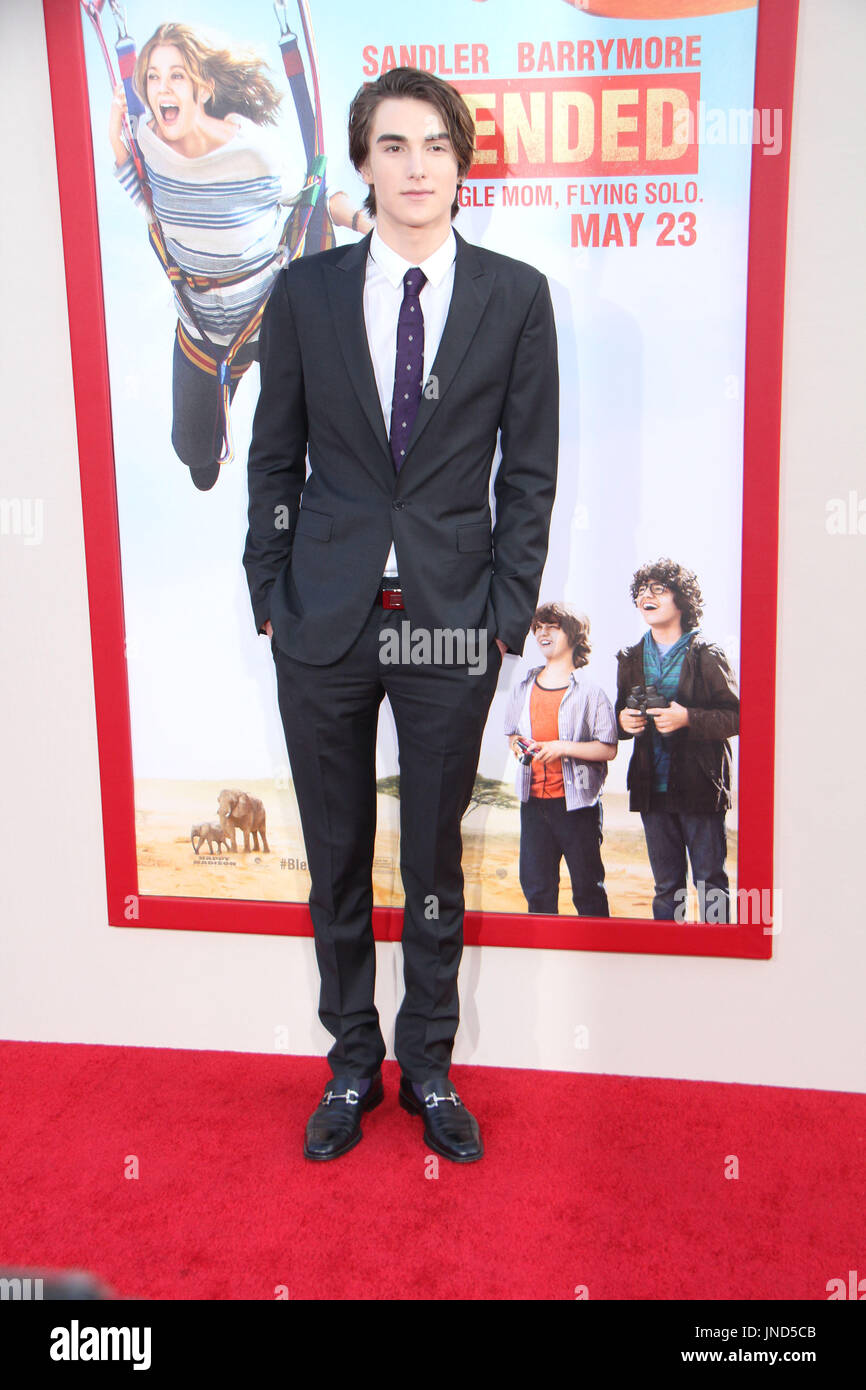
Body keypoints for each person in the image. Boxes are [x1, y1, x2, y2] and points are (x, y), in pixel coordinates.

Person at [243, 66, 559, 1163]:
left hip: (448, 620)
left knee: (431, 854)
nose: (414, 166)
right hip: (323, 616)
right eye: (391, 146)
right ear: (363, 163)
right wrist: (268, 594)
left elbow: (528, 474)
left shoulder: (515, 296)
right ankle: (346, 1065)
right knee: (334, 851)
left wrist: (503, 612)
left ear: (462, 161)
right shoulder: (307, 294)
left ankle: (425, 1066)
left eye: (433, 145)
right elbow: (272, 456)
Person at [109, 22, 372, 490]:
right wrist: (120, 153)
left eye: (176, 76)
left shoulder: (256, 154)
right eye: (152, 77)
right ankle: (218, 399)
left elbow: (313, 196)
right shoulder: (145, 141)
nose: (161, 88)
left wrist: (363, 221)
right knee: (197, 462)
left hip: (268, 321)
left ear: (203, 88)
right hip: (202, 331)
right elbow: (153, 205)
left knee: (308, 449)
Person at [614, 559, 740, 922]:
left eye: (657, 589)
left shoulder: (707, 654)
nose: (645, 596)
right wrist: (624, 720)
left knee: (710, 882)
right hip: (651, 787)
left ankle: (720, 956)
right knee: (667, 886)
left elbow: (735, 717)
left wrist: (688, 718)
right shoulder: (630, 657)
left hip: (700, 786)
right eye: (641, 590)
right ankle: (669, 962)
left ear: (682, 599)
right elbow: (620, 717)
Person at [505, 604, 617, 917]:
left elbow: (608, 749)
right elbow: (513, 735)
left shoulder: (592, 692)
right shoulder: (523, 688)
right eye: (538, 627)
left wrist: (561, 748)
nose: (543, 632)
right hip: (533, 804)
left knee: (588, 890)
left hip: (577, 806)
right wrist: (520, 746)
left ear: (573, 633)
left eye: (552, 626)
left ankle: (597, 957)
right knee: (537, 891)